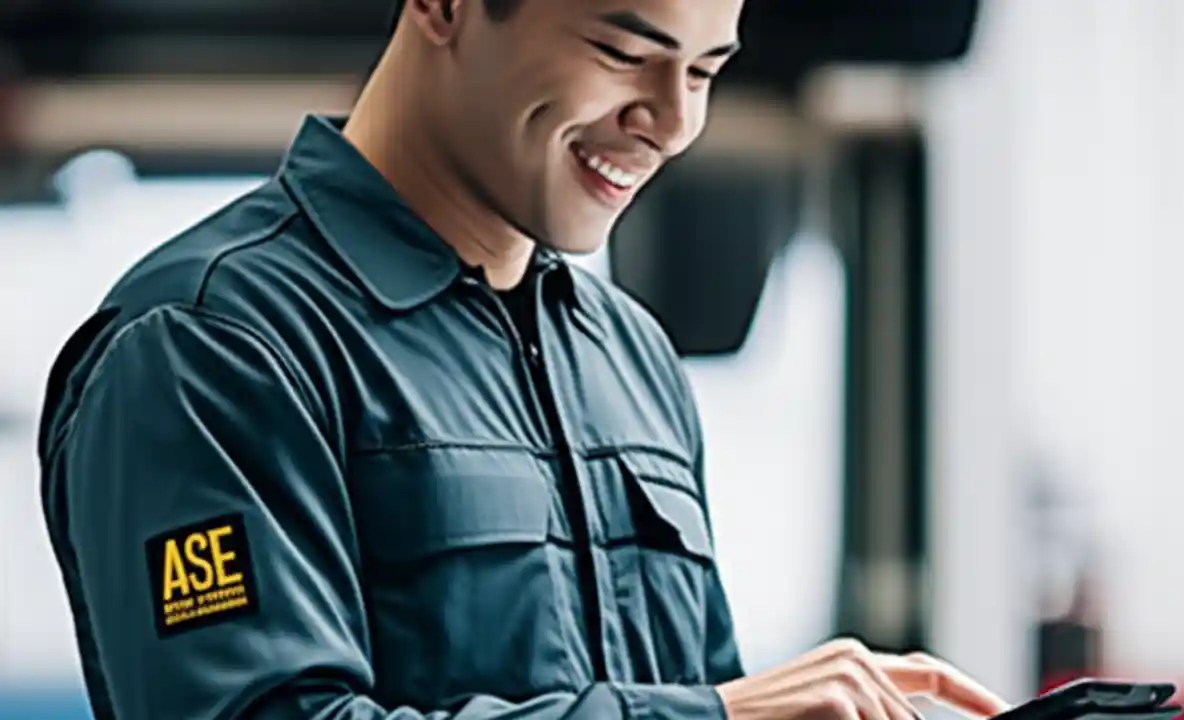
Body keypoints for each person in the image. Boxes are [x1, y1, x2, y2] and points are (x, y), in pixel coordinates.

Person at [37, 1, 1016, 718]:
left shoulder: (628, 357)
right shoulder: (213, 345)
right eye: (624, 51)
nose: (671, 123)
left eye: (706, 72)